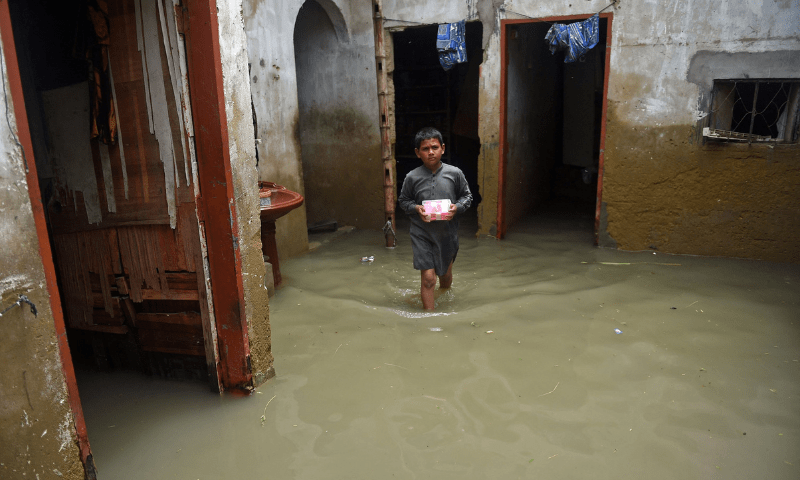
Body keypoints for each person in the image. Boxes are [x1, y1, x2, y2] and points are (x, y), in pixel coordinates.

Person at [398, 127, 472, 310]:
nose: (430, 152)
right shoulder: (412, 177)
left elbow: (467, 197)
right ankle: (429, 317)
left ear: (443, 148)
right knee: (429, 279)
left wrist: (457, 207)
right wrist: (417, 208)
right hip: (421, 233)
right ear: (417, 152)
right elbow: (403, 201)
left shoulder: (455, 173)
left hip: (447, 233)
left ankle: (444, 294)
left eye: (434, 147)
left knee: (445, 278)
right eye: (425, 149)